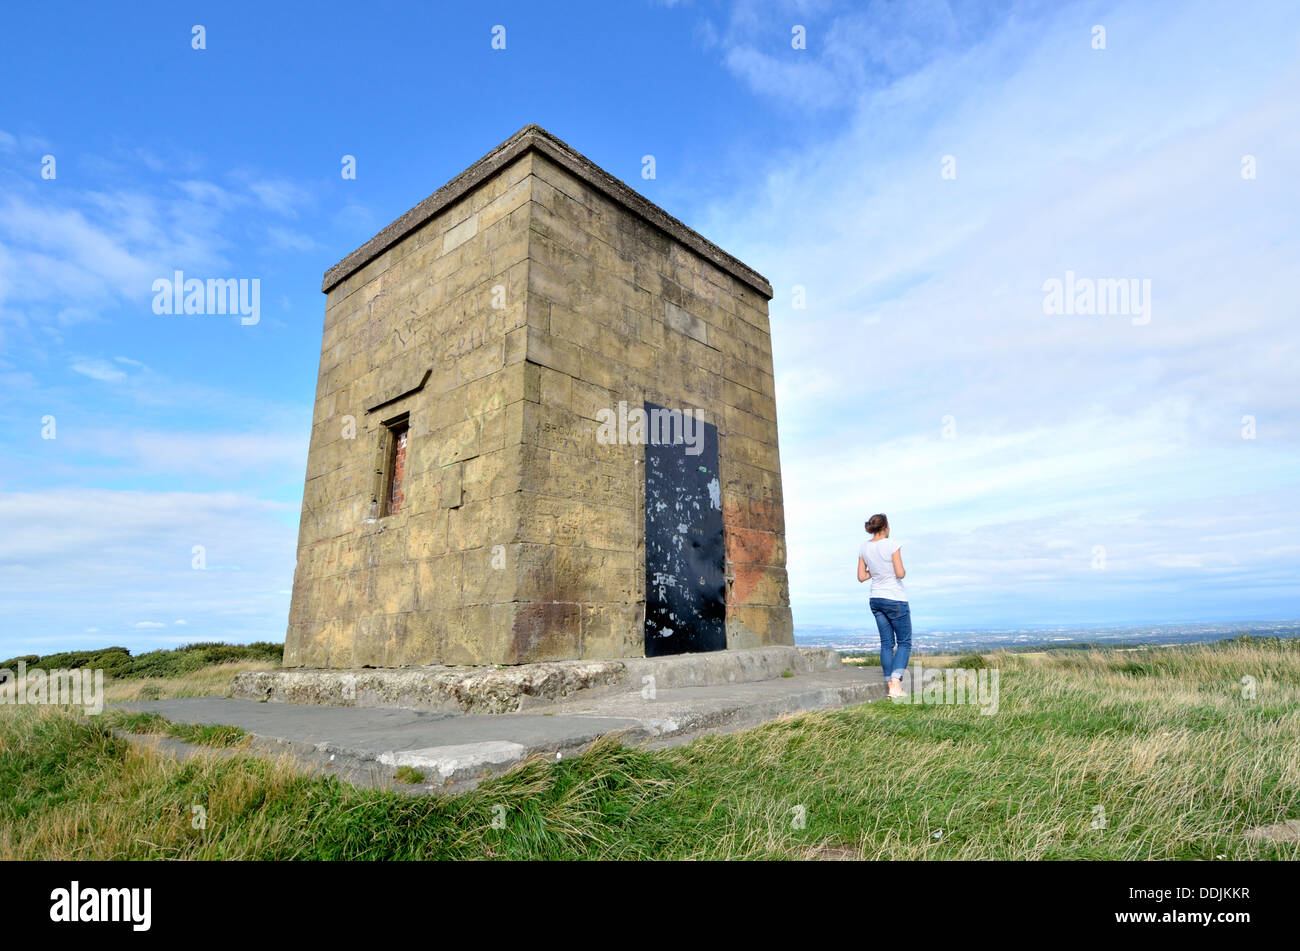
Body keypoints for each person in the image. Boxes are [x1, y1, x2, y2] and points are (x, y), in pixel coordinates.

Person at [857, 513, 911, 698]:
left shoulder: (864, 548)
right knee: (904, 642)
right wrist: (898, 569)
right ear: (886, 527)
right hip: (895, 597)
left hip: (876, 598)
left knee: (886, 643)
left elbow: (862, 577)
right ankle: (896, 685)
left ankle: (890, 685)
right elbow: (900, 573)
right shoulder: (892, 545)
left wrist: (876, 569)